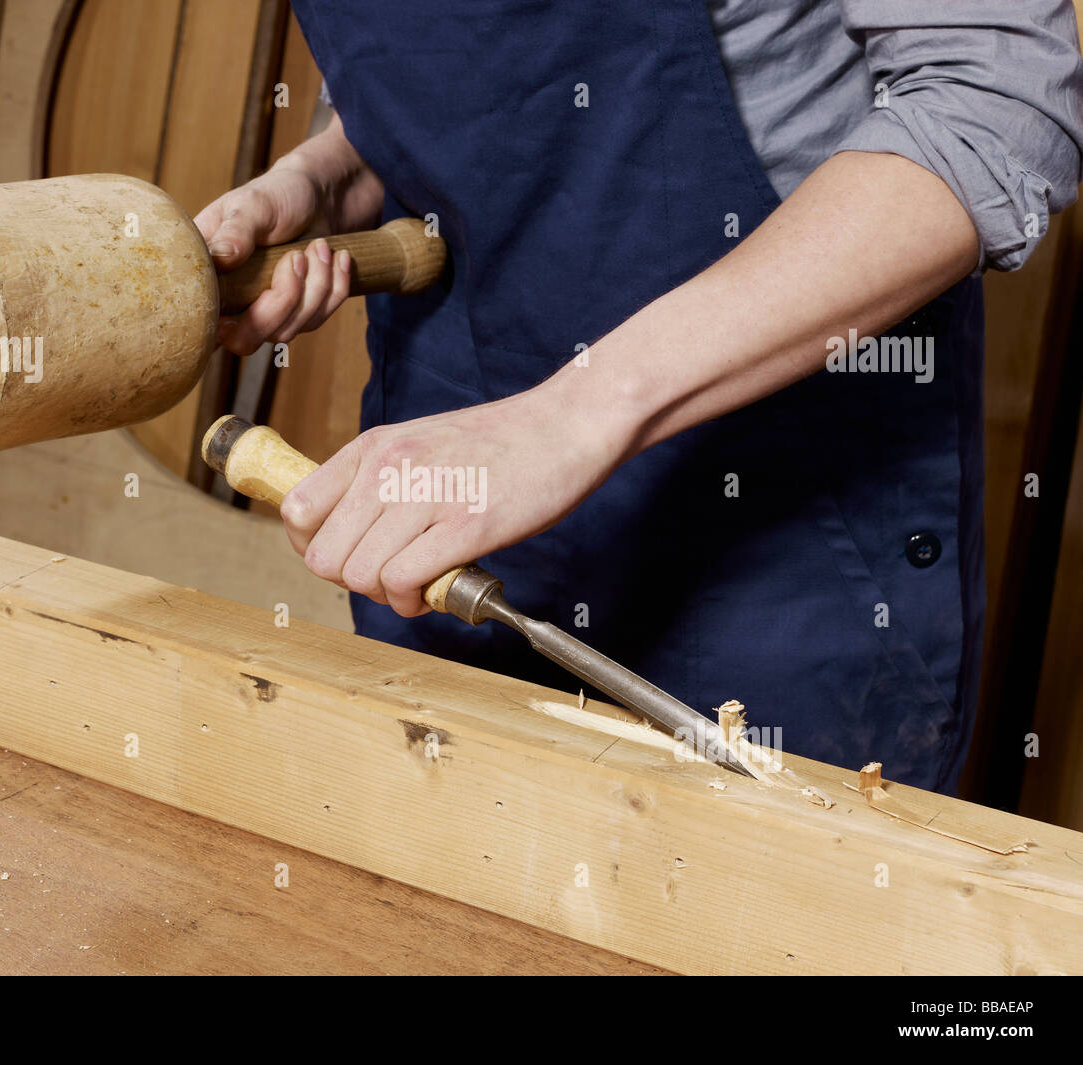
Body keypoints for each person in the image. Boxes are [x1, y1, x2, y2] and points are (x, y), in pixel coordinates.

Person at [195, 2, 1083, 793]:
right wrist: (329, 176)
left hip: (781, 541)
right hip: (448, 490)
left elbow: (996, 105)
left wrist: (564, 418)